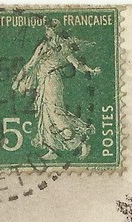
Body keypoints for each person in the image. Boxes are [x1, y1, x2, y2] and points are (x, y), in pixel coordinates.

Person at [13, 21, 101, 160]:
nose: (46, 32)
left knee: (55, 113)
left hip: (52, 82)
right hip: (43, 83)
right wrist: (18, 80)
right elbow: (31, 64)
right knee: (45, 114)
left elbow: (76, 64)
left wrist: (91, 70)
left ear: (55, 31)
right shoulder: (44, 46)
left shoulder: (63, 47)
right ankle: (52, 149)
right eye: (46, 30)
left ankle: (81, 142)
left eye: (48, 30)